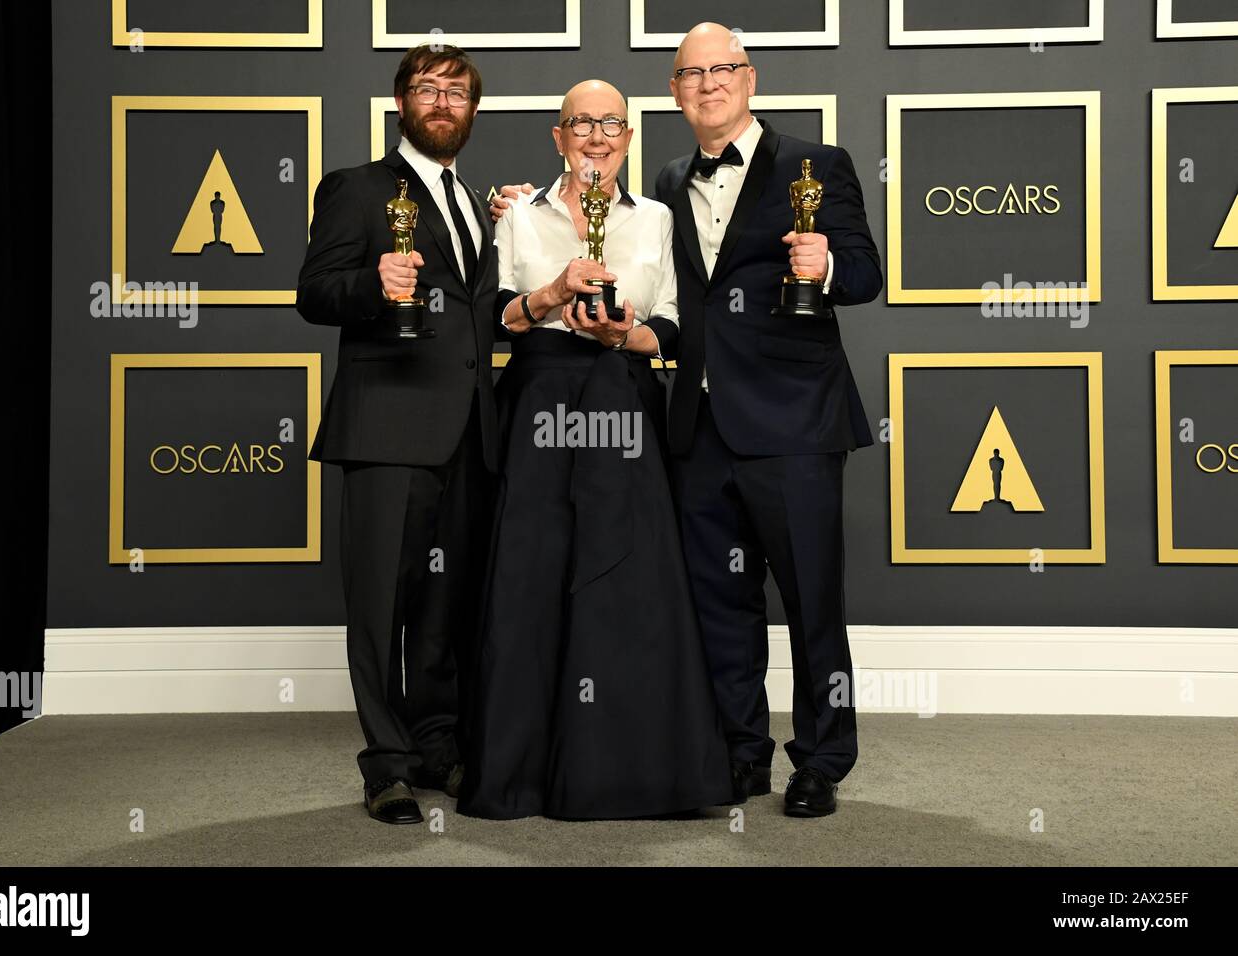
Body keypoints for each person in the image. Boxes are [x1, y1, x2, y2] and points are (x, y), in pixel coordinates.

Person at [491, 23, 881, 818]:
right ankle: (741, 752)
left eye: (723, 70)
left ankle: (821, 760)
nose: (707, 83)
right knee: (717, 603)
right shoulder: (663, 184)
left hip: (794, 420)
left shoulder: (820, 165)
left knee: (812, 598)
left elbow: (867, 273)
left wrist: (827, 266)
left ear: (750, 79)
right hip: (692, 422)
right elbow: (613, 228)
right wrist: (519, 205)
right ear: (672, 92)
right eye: (690, 73)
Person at [458, 80, 731, 821]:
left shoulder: (657, 218)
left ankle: (628, 772)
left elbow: (673, 319)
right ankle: (519, 776)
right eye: (582, 123)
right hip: (541, 401)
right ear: (558, 137)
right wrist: (548, 295)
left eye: (612, 123)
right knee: (532, 574)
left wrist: (629, 334)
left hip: (623, 394)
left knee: (628, 579)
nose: (597, 135)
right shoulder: (516, 214)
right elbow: (491, 319)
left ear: (630, 138)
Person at [296, 44, 499, 825]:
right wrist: (372, 285)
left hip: (471, 431)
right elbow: (315, 292)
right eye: (428, 88)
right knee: (380, 607)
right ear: (400, 104)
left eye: (458, 91)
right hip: (386, 427)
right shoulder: (357, 188)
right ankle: (386, 765)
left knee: (448, 606)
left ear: (473, 111)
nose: (443, 101)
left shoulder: (476, 201)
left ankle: (437, 746)